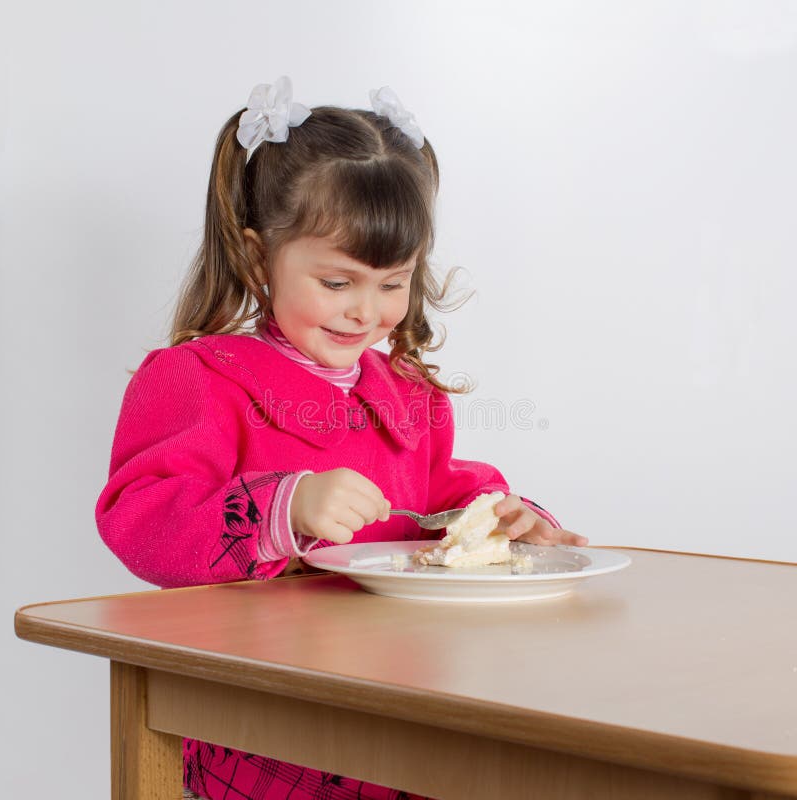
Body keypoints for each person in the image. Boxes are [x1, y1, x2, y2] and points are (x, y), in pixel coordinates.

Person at [95, 76, 588, 800]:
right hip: (264, 723)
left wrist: (502, 518)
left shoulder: (408, 393)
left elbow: (441, 492)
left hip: (404, 700)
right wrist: (284, 507)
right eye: (337, 282)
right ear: (260, 258)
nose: (366, 311)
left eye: (393, 283)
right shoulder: (199, 379)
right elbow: (138, 517)